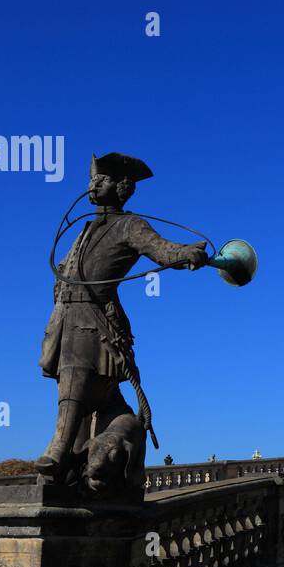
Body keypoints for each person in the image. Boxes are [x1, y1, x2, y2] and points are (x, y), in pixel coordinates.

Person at [36, 152, 208, 479]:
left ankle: (58, 449)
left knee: (76, 379)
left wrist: (186, 253)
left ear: (121, 186)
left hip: (94, 319)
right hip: (66, 318)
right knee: (88, 397)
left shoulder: (130, 225)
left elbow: (160, 249)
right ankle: (80, 457)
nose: (92, 185)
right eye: (91, 179)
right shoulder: (85, 228)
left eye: (101, 180)